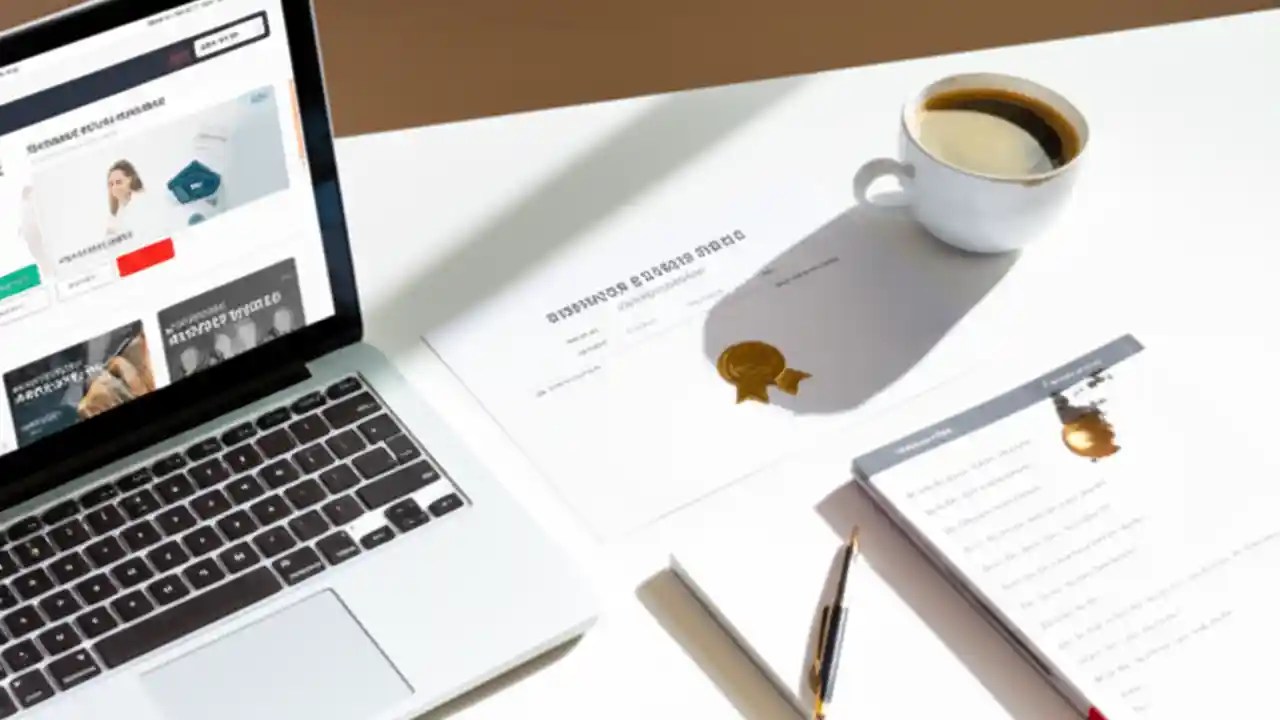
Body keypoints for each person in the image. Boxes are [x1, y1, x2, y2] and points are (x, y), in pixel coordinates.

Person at [106, 160, 163, 240]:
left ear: (130, 180)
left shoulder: (143, 204)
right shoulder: (117, 214)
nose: (114, 187)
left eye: (119, 182)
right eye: (111, 184)